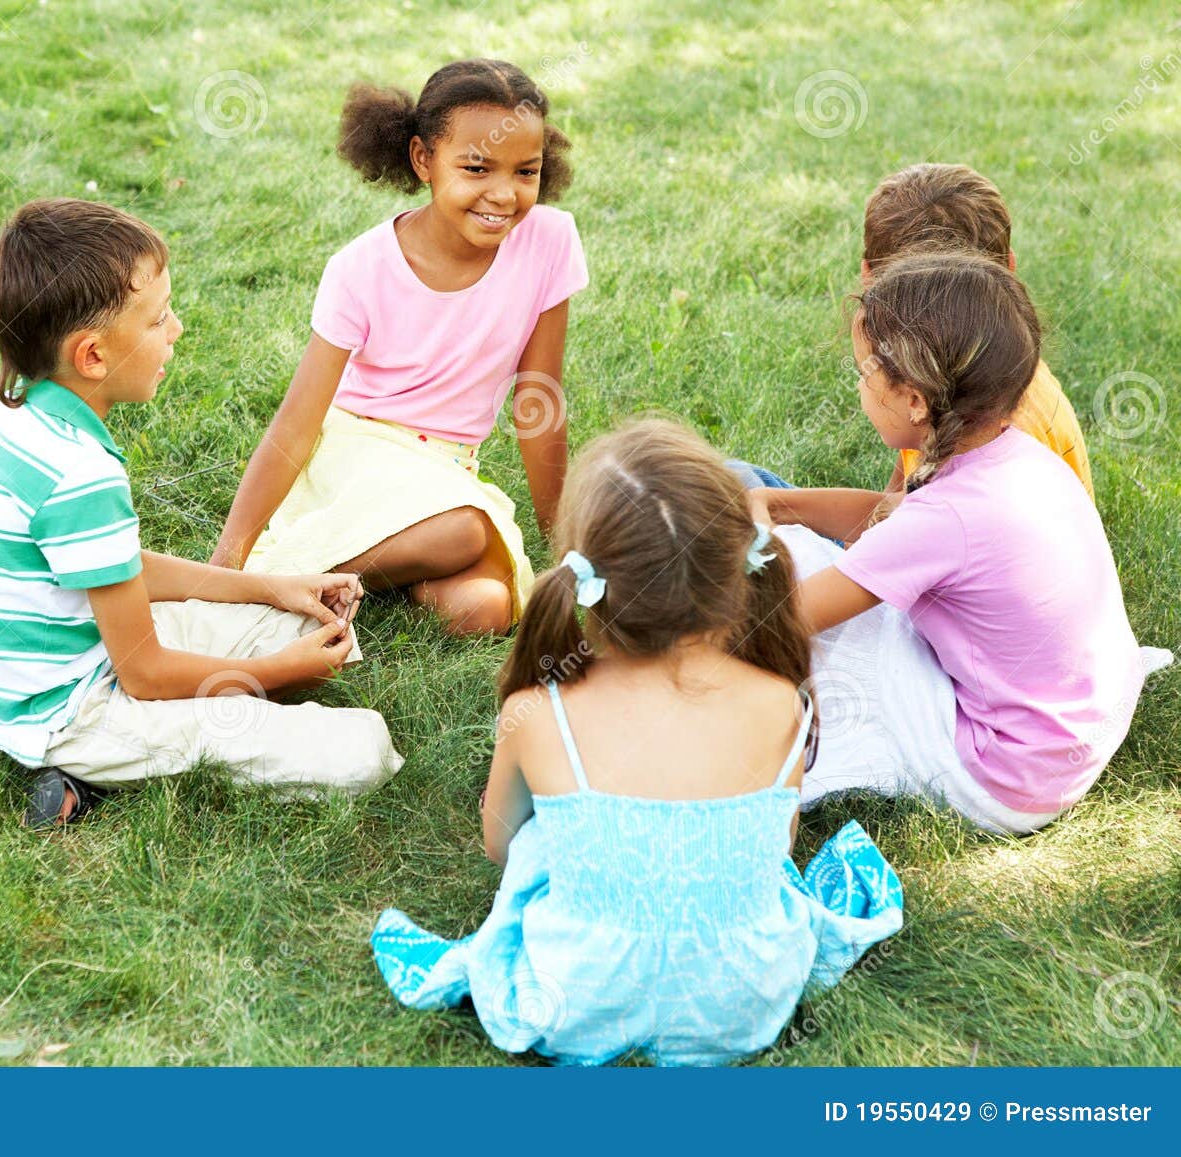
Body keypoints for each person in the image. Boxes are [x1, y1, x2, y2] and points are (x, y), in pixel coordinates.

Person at [371, 420, 903, 1066]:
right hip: (745, 1006)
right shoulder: (780, 704)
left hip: (575, 1004)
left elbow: (500, 843)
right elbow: (779, 846)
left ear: (588, 586)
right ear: (734, 581)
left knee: (546, 829)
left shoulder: (539, 714)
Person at [0, 198, 402, 827]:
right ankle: (80, 765)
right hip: (70, 709)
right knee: (363, 752)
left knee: (303, 624)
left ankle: (102, 768)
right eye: (158, 320)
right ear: (93, 356)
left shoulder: (20, 412)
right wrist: (276, 674)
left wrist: (268, 586)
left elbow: (119, 568)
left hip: (85, 655)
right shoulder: (80, 473)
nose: (176, 330)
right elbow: (147, 675)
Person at [753, 253, 1162, 834]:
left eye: (866, 374)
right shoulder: (1012, 454)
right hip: (1070, 736)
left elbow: (776, 621)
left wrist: (749, 541)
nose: (860, 389)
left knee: (790, 591)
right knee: (763, 499)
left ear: (916, 400)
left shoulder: (944, 519)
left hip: (999, 774)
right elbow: (888, 516)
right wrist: (777, 504)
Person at [211, 59, 588, 635]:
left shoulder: (549, 241)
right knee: (463, 530)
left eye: (525, 172)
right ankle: (274, 578)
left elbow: (538, 399)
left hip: (447, 467)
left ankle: (385, 568)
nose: (504, 194)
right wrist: (227, 561)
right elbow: (295, 426)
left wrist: (565, 543)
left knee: (483, 609)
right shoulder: (360, 268)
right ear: (423, 160)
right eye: (476, 168)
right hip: (359, 449)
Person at [734, 163, 1093, 538]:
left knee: (731, 488)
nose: (862, 382)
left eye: (864, 374)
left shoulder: (985, 452)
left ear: (868, 275)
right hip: (924, 550)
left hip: (933, 581)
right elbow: (896, 503)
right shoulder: (985, 375)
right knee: (739, 488)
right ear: (1009, 271)